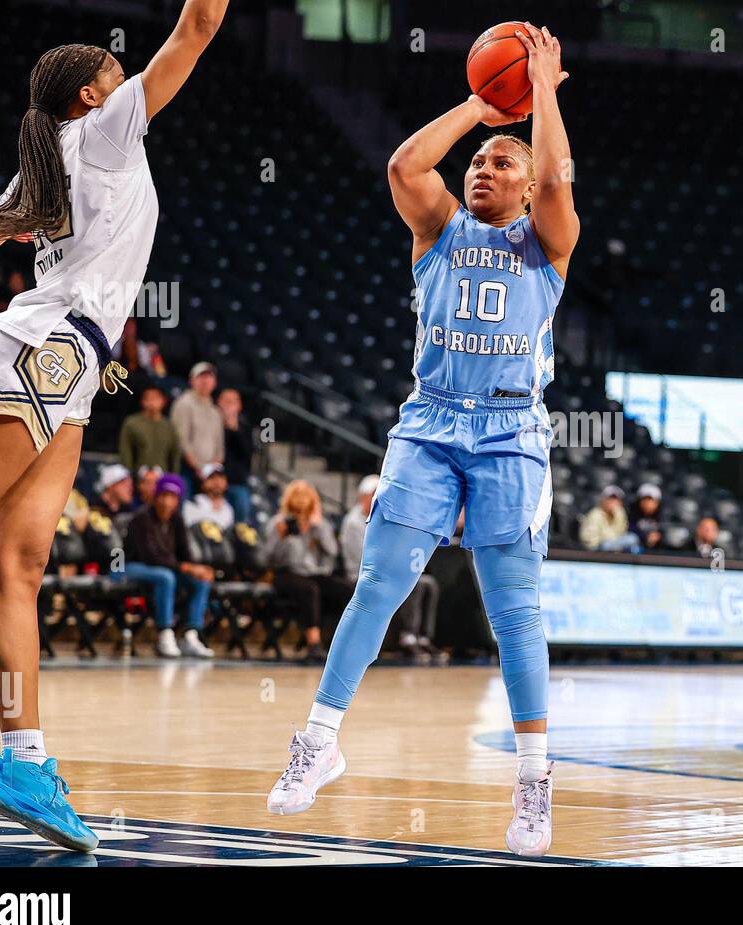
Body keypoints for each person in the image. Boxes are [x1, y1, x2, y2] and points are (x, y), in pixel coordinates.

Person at [0, 1, 229, 852]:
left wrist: (13, 220)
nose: (129, 82)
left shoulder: (42, 164)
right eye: (116, 75)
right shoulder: (102, 135)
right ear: (92, 96)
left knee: (21, 566)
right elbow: (197, 26)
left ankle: (23, 762)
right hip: (43, 351)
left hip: (70, 370)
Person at [267, 23, 576, 858]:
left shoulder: (548, 242)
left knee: (514, 612)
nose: (485, 168)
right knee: (380, 584)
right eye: (480, 160)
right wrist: (477, 110)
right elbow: (405, 166)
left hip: (512, 431)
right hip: (432, 424)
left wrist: (540, 92)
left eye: (499, 163)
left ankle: (534, 780)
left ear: (522, 187)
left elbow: (554, 173)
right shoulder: (438, 227)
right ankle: (319, 740)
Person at [339, 474, 440, 659]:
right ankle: (408, 636)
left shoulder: (386, 520)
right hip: (361, 574)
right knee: (413, 585)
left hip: (387, 571)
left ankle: (424, 637)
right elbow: (361, 557)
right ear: (364, 497)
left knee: (428, 583)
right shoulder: (353, 522)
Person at [121, 473, 215, 660]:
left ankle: (191, 635)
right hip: (129, 566)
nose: (167, 501)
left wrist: (197, 569)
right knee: (166, 577)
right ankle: (164, 633)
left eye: (172, 497)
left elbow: (185, 553)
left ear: (178, 500)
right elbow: (150, 556)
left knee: (200, 582)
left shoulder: (177, 520)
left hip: (165, 568)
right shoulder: (141, 518)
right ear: (156, 496)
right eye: (164, 495)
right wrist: (186, 568)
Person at [260, 480, 353, 664]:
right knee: (309, 589)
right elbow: (268, 558)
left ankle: (342, 643)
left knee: (347, 590)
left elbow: (333, 551)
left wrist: (318, 527)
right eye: (298, 496)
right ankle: (313, 644)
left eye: (306, 496)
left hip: (312, 573)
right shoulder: (279, 522)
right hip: (284, 573)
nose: (302, 500)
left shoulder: (319, 524)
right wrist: (281, 537)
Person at [170, 361, 223, 491]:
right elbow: (181, 441)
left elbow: (219, 444)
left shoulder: (215, 411)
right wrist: (199, 468)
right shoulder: (183, 404)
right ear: (192, 381)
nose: (205, 381)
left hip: (210, 472)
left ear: (214, 383)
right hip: (186, 469)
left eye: (209, 377)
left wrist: (213, 469)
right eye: (201, 376)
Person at [119, 384, 181, 475]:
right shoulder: (132, 423)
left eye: (156, 398)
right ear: (142, 401)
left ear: (163, 401)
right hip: (138, 476)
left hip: (163, 477)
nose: (152, 402)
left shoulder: (169, 426)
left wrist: (174, 476)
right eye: (148, 398)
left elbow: (175, 455)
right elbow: (125, 452)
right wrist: (128, 475)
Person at [217, 387, 253, 524]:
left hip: (238, 482)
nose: (229, 406)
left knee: (241, 521)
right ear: (218, 403)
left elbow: (247, 453)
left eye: (233, 402)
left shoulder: (245, 426)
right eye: (226, 401)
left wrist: (235, 430)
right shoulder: (212, 423)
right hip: (215, 484)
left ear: (239, 405)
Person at [578, 484, 638, 552]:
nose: (613, 502)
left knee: (633, 539)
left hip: (615, 547)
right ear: (603, 500)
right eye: (610, 499)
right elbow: (589, 542)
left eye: (616, 499)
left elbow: (622, 533)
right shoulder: (595, 515)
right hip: (598, 549)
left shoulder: (620, 513)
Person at [182, 462, 234, 530]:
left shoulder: (229, 509)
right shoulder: (192, 503)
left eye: (221, 477)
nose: (217, 481)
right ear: (203, 483)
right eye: (212, 477)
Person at [629, 483, 663, 551]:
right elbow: (629, 529)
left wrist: (658, 536)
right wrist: (645, 537)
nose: (648, 504)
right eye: (645, 500)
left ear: (657, 503)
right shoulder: (632, 514)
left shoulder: (663, 515)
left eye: (651, 500)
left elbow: (665, 530)